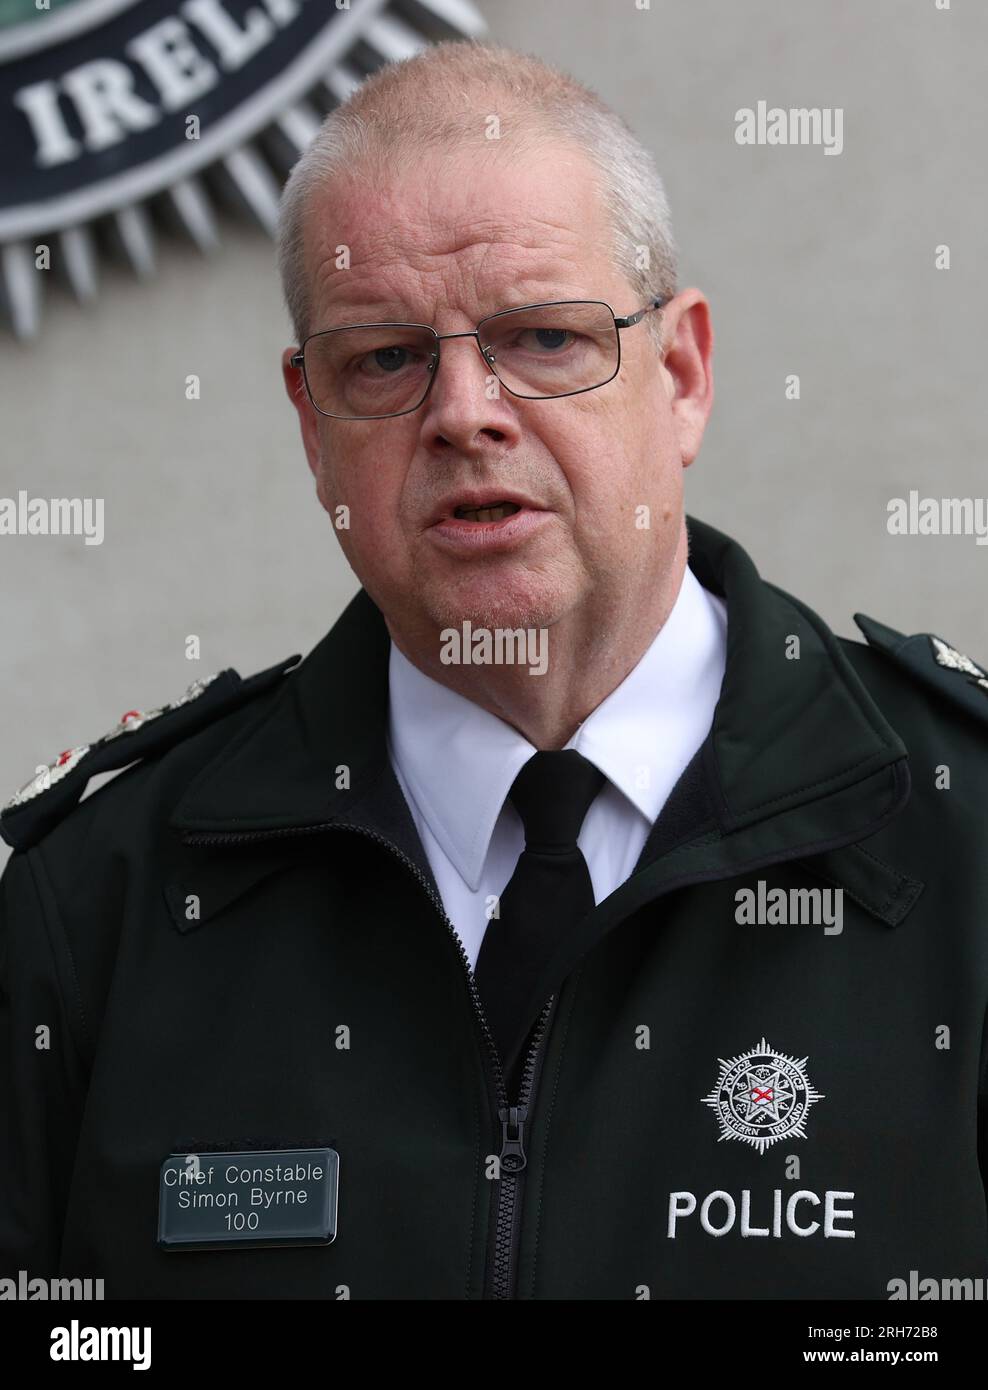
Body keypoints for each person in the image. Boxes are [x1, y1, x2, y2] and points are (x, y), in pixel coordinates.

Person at [1, 39, 986, 1303]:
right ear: (312, 427)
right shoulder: (99, 905)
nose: (464, 412)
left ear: (681, 377)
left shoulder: (960, 835)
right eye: (385, 359)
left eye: (543, 337)